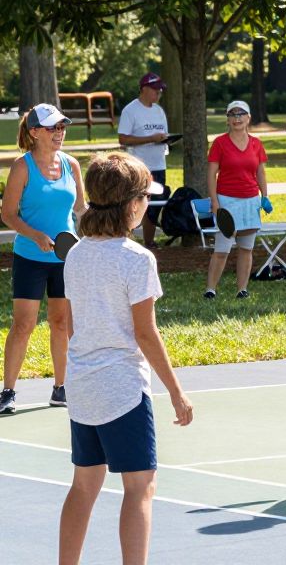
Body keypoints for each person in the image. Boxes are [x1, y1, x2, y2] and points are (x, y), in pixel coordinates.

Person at [59, 152, 193, 565]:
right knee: (140, 488)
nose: (147, 205)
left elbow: (68, 322)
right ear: (132, 205)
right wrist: (176, 392)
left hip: (81, 386)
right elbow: (144, 332)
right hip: (122, 391)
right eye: (145, 199)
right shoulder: (138, 259)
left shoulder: (76, 254)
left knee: (84, 485)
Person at [0, 104, 87, 414]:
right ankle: (7, 391)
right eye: (53, 128)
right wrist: (35, 236)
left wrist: (99, 227)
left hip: (66, 258)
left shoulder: (72, 165)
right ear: (34, 133)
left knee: (61, 323)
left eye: (62, 127)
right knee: (23, 324)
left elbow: (80, 209)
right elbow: (8, 214)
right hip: (30, 258)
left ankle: (60, 389)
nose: (59, 133)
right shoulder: (22, 167)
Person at [204, 101, 271, 300]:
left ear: (248, 118)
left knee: (246, 248)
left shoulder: (256, 144)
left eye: (241, 114)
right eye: (232, 114)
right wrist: (215, 202)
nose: (237, 118)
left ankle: (242, 289)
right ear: (228, 119)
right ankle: (210, 289)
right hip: (227, 201)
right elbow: (211, 174)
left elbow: (260, 172)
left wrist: (264, 196)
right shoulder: (219, 143)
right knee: (222, 250)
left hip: (250, 201)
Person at [117, 72, 172, 248]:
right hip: (138, 166)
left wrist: (166, 139)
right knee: (133, 203)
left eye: (160, 91)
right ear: (144, 89)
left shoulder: (159, 111)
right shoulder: (130, 110)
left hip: (159, 164)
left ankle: (149, 242)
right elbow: (123, 139)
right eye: (156, 90)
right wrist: (150, 139)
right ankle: (126, 241)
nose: (158, 93)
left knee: (154, 205)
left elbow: (162, 135)